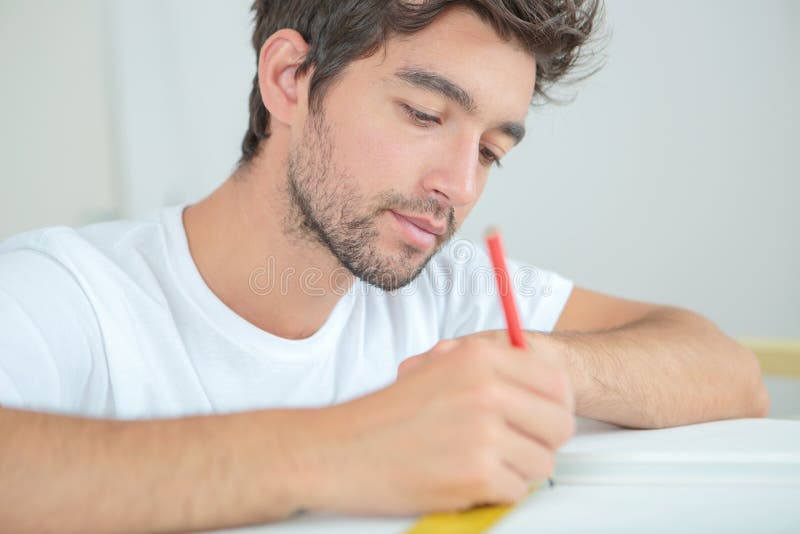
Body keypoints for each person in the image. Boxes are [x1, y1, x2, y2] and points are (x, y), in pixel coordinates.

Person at [0, 1, 769, 532]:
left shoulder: (453, 296)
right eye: (424, 115)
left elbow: (726, 370)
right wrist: (342, 449)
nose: (459, 187)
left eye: (492, 151)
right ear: (290, 79)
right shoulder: (70, 294)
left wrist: (534, 365)